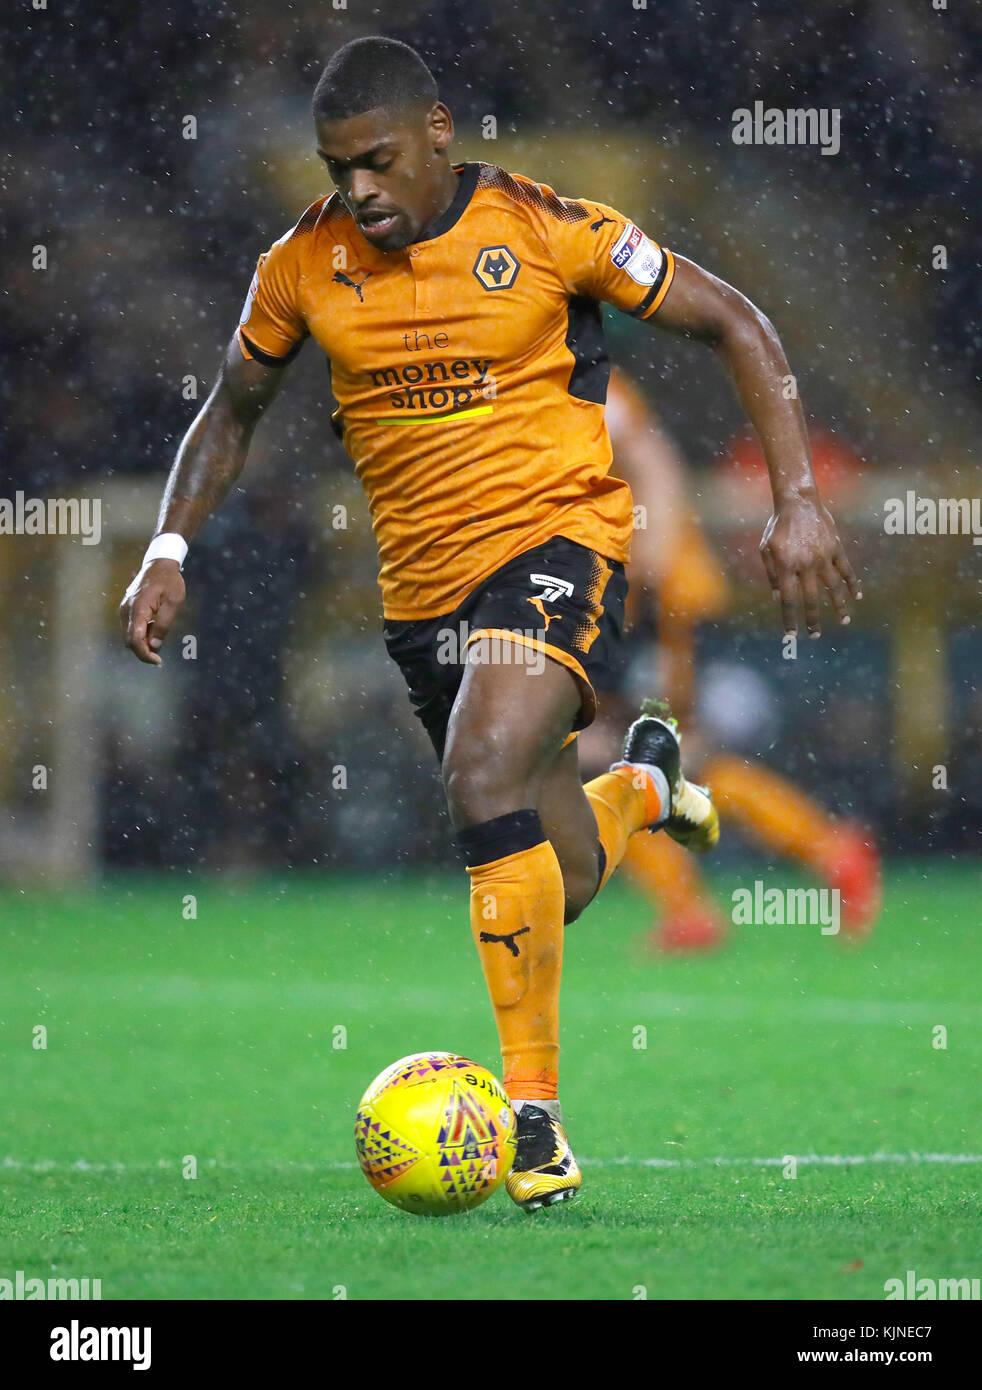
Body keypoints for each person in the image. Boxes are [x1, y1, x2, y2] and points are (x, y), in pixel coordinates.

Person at [119, 36, 861, 1211]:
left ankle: (532, 1116)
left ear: (437, 132)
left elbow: (735, 322)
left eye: (373, 162)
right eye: (334, 167)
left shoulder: (548, 228)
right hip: (422, 598)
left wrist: (799, 504)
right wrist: (166, 549)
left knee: (478, 771)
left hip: (558, 548)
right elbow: (230, 409)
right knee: (556, 874)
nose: (355, 190)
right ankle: (647, 787)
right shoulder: (300, 264)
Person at [592, 370, 880, 952]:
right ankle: (826, 853)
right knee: (641, 760)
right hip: (631, 598)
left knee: (648, 755)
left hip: (660, 602)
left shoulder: (581, 374)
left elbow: (654, 460)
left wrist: (647, 560)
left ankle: (810, 857)